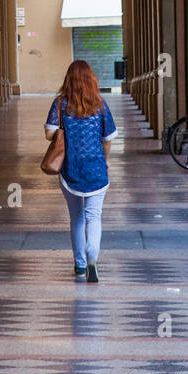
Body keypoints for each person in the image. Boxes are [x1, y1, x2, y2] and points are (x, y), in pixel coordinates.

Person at [44, 59, 118, 283]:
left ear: (69, 79)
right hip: (96, 169)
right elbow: (108, 138)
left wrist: (64, 129)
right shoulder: (100, 103)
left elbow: (49, 134)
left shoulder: (60, 104)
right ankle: (93, 257)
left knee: (76, 218)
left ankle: (80, 264)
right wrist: (106, 160)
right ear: (91, 80)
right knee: (94, 217)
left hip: (70, 170)